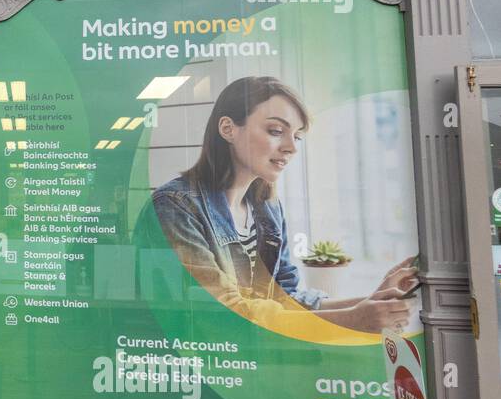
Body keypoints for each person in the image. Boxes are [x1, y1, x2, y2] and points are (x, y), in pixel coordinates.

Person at [147, 76, 416, 334]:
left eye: (296, 136)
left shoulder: (267, 208)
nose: (291, 147)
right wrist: (354, 318)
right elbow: (223, 317)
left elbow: (287, 300)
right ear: (228, 129)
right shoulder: (175, 206)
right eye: (276, 131)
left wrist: (373, 304)